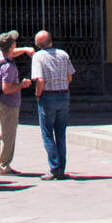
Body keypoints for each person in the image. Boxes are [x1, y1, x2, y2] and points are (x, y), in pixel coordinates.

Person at [31, 29, 74, 180]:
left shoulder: (38, 57)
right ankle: (61, 168)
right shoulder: (63, 54)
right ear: (51, 41)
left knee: (48, 134)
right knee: (61, 134)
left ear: (37, 44)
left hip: (48, 97)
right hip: (63, 95)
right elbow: (70, 77)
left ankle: (55, 168)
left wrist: (37, 95)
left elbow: (40, 80)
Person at [0, 30, 34, 175]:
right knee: (8, 135)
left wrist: (25, 50)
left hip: (0, 101)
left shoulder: (0, 56)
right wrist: (22, 85)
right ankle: (4, 166)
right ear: (12, 45)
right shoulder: (8, 66)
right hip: (9, 103)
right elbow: (7, 88)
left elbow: (12, 53)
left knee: (1, 132)